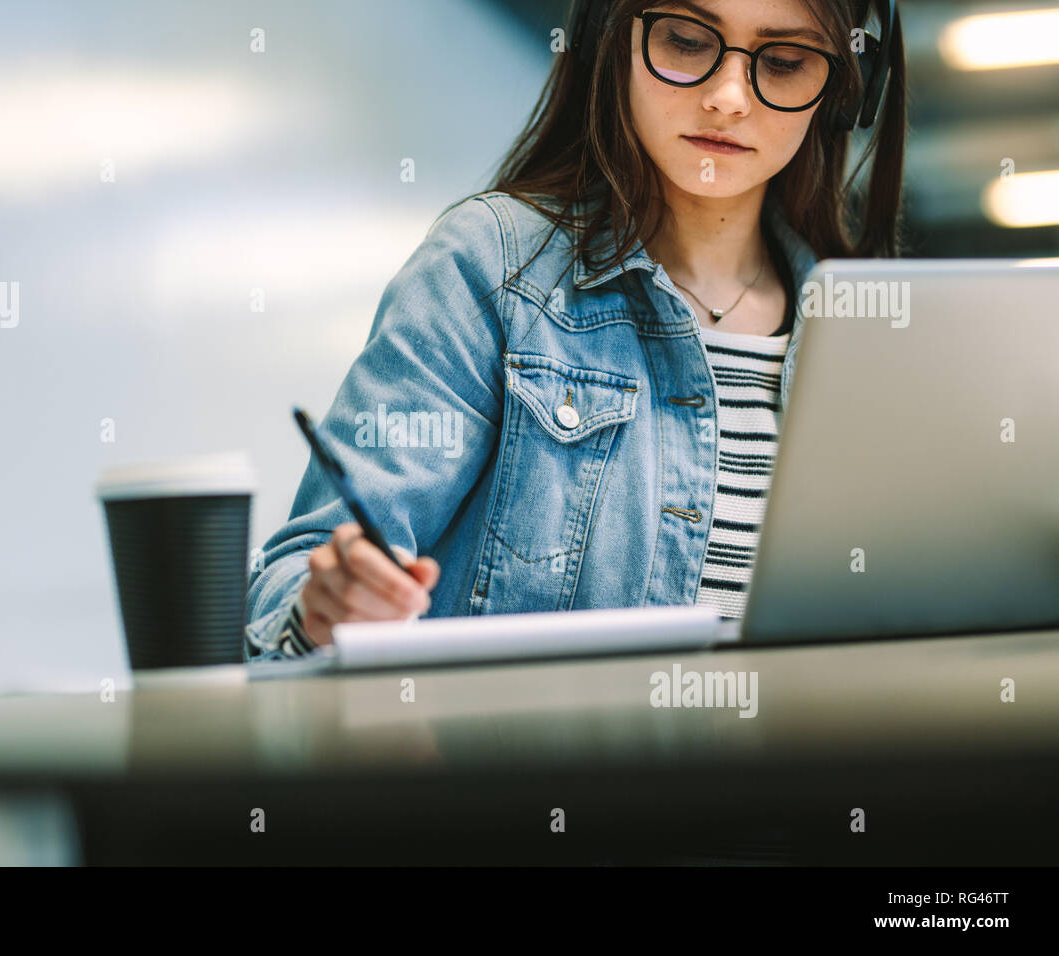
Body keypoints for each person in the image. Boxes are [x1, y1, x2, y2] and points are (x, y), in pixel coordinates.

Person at [246, 0, 906, 660]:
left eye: (785, 62)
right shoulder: (489, 270)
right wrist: (327, 607)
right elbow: (293, 582)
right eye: (685, 40)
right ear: (611, 37)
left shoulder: (870, 334)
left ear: (850, 88)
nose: (728, 98)